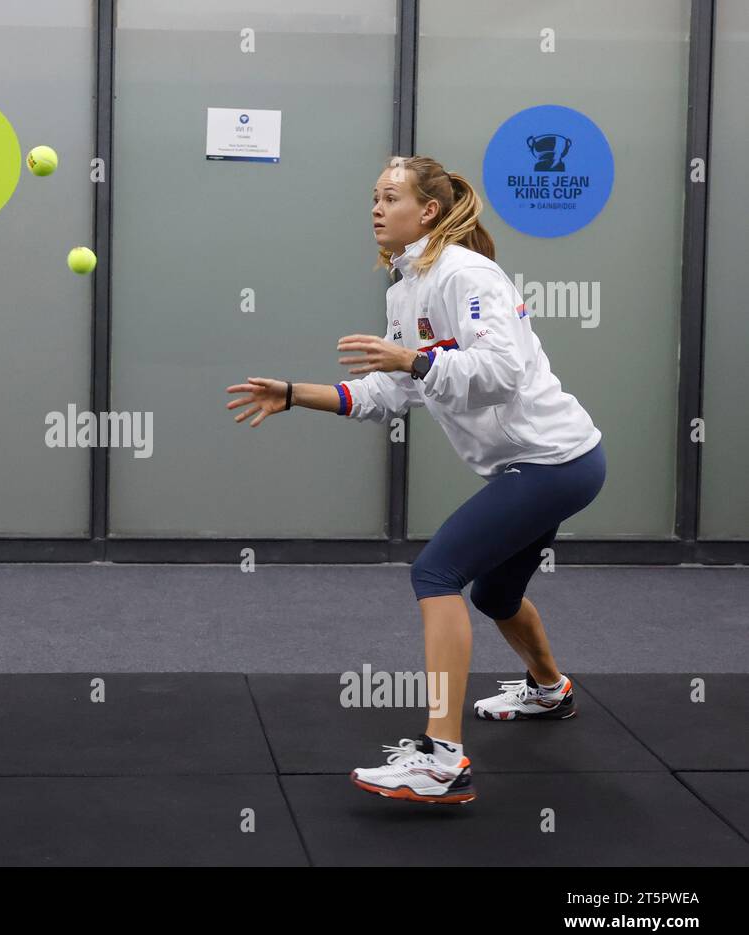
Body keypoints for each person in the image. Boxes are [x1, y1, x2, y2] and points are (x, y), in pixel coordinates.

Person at [225, 155, 605, 805]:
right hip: (544, 464)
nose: (376, 208)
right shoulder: (406, 290)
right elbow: (389, 391)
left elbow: (500, 373)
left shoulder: (466, 274)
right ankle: (550, 689)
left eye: (390, 197)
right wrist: (294, 393)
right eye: (373, 197)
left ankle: (441, 762)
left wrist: (414, 357)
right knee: (494, 594)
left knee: (436, 573)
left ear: (427, 212)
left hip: (553, 461)